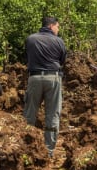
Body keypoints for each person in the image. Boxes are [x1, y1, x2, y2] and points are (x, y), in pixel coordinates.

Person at [23, 16, 67, 157]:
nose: (58, 29)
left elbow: (28, 57)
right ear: (51, 26)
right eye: (57, 26)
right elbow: (62, 60)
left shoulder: (30, 39)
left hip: (34, 77)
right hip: (53, 78)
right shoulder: (58, 41)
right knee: (53, 114)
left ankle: (25, 147)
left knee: (30, 113)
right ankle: (49, 151)